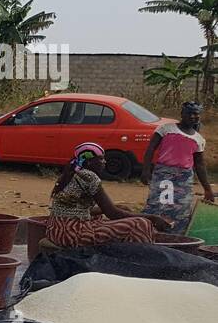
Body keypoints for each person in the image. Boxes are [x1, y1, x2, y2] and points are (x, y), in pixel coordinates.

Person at [47, 142, 170, 247]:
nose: (104, 162)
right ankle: (139, 263)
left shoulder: (72, 174)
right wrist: (152, 218)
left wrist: (111, 210)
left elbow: (79, 209)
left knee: (122, 212)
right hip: (71, 233)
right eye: (100, 159)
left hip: (57, 229)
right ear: (89, 162)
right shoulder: (89, 177)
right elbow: (113, 214)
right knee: (140, 224)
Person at [141, 101, 214, 233]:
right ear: (182, 114)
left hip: (184, 178)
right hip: (163, 174)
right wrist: (145, 170)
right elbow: (150, 149)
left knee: (181, 208)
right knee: (158, 203)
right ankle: (148, 232)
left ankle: (176, 236)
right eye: (189, 113)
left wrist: (207, 189)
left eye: (196, 114)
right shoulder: (166, 129)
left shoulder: (199, 139)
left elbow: (199, 165)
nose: (193, 117)